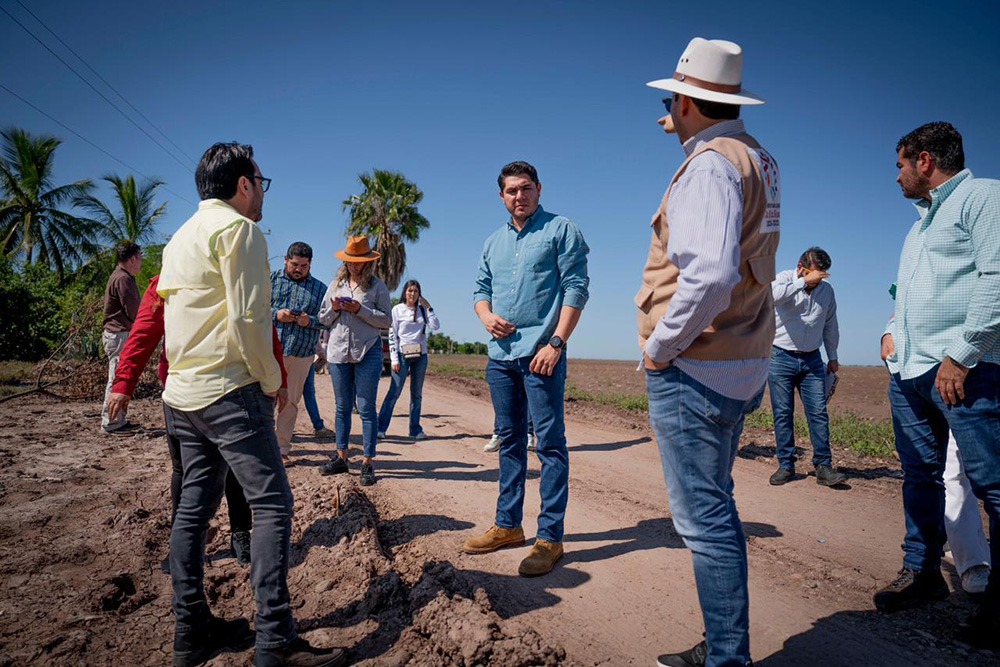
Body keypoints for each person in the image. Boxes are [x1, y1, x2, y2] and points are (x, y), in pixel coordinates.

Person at [157, 142, 344, 667]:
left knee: (194, 507)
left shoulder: (179, 238)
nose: (262, 192)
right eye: (261, 181)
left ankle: (190, 633)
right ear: (245, 184)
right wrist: (271, 380)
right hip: (230, 391)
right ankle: (275, 644)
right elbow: (247, 319)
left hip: (183, 396)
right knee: (272, 505)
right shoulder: (240, 231)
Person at [636, 38, 779, 667]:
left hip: (696, 365)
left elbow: (711, 276)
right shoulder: (756, 157)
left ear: (690, 101)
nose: (667, 110)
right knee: (717, 507)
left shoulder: (709, 167)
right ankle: (724, 646)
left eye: (672, 98)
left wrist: (662, 348)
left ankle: (727, 658)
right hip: (742, 359)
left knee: (703, 523)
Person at [875, 122, 1000, 649]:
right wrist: (890, 332)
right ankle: (922, 573)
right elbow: (913, 295)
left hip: (963, 372)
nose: (897, 176)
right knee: (920, 477)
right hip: (911, 372)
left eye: (900, 165)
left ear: (925, 161)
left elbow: (996, 280)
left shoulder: (982, 198)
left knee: (991, 484)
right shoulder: (920, 224)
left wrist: (962, 355)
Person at [106, 275, 291, 569]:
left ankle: (240, 535)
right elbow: (144, 330)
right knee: (185, 472)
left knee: (235, 469)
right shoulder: (165, 280)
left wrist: (279, 375)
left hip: (233, 389)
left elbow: (261, 325)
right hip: (180, 393)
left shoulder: (235, 273)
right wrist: (124, 382)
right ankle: (186, 548)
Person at [463, 160, 589, 578]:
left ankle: (550, 537)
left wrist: (557, 342)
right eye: (512, 191)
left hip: (541, 354)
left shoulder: (560, 230)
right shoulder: (492, 242)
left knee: (549, 445)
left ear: (539, 189)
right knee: (510, 440)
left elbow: (576, 287)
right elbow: (481, 290)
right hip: (500, 357)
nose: (520, 196)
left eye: (526, 188)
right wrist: (485, 317)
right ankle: (507, 525)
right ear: (502, 196)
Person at [767, 247, 847, 487]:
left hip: (812, 358)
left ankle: (823, 467)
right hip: (779, 356)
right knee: (783, 412)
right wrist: (802, 283)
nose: (818, 281)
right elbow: (770, 297)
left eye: (822, 276)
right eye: (815, 275)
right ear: (801, 267)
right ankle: (786, 465)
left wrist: (832, 356)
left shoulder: (827, 292)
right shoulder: (783, 279)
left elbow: (830, 324)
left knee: (818, 412)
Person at [317, 236, 391, 486]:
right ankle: (341, 457)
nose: (354, 266)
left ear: (368, 262)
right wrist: (336, 308)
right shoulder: (335, 285)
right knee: (342, 406)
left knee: (366, 407)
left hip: (367, 350)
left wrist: (360, 310)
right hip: (338, 351)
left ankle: (368, 462)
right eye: (350, 261)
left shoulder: (377, 287)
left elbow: (386, 321)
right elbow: (323, 319)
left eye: (358, 261)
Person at [271, 242, 329, 465]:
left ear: (310, 264)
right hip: (269, 350)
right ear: (286, 260)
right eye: (295, 264)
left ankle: (282, 449)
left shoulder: (320, 289)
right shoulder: (270, 281)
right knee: (265, 400)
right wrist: (277, 314)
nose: (299, 269)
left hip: (301, 353)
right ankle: (263, 447)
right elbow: (253, 309)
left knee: (291, 402)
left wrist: (310, 321)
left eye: (304, 266)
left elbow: (326, 321)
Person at [377, 279, 440, 440]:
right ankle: (380, 428)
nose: (412, 294)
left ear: (420, 294)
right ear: (405, 292)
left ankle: (415, 430)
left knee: (416, 395)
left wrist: (429, 307)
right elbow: (392, 335)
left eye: (416, 291)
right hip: (402, 356)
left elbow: (435, 326)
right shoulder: (397, 310)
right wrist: (394, 359)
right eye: (410, 291)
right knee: (394, 392)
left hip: (421, 356)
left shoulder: (422, 310)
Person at [100, 241, 142, 434]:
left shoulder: (120, 276)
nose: (141, 262)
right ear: (132, 259)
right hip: (119, 335)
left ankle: (119, 421)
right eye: (140, 258)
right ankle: (111, 423)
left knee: (118, 377)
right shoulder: (123, 279)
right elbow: (135, 311)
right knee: (117, 379)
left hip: (116, 334)